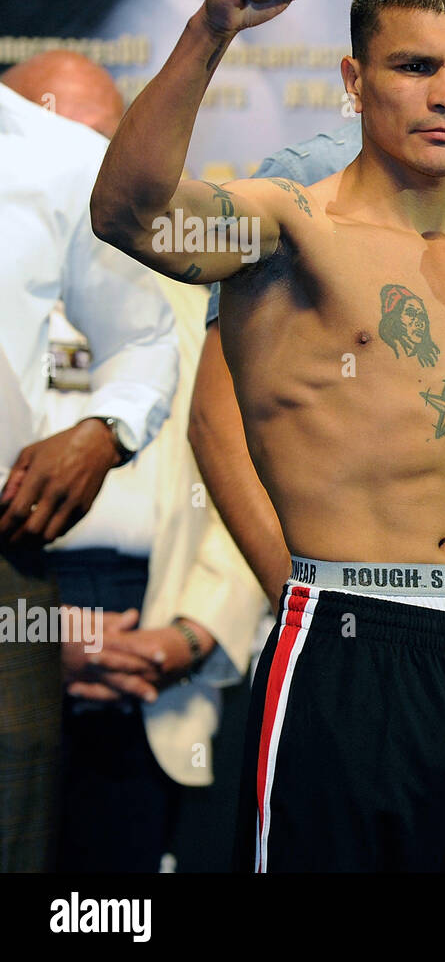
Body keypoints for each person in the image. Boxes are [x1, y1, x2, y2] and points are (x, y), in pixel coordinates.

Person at [91, 0, 445, 872]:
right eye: (415, 66)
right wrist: (210, 30)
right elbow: (129, 213)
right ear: (354, 77)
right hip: (346, 644)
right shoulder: (292, 228)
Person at [3, 52, 266, 872]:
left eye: (100, 145)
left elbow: (247, 490)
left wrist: (190, 635)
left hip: (154, 647)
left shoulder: (193, 296)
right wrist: (43, 635)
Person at [0, 78, 178, 871]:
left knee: (17, 834)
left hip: (7, 563)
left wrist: (104, 431)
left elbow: (143, 336)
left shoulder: (60, 157)